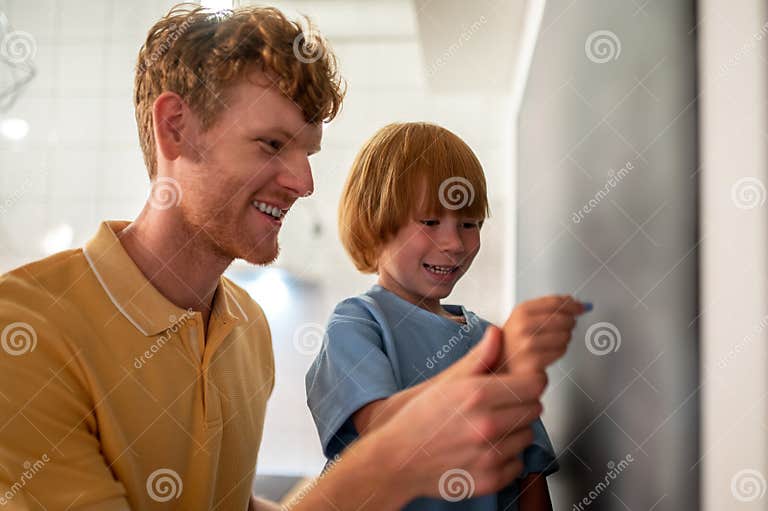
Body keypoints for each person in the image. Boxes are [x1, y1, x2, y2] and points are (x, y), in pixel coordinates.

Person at [0, 4, 573, 511]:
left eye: (308, 153)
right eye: (272, 145)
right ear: (176, 129)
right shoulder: (25, 331)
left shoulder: (247, 330)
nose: (304, 182)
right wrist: (388, 461)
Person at [305, 123, 589, 510]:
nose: (454, 244)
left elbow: (530, 470)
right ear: (374, 221)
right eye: (430, 222)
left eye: (469, 224)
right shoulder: (358, 324)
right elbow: (384, 435)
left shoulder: (490, 337)